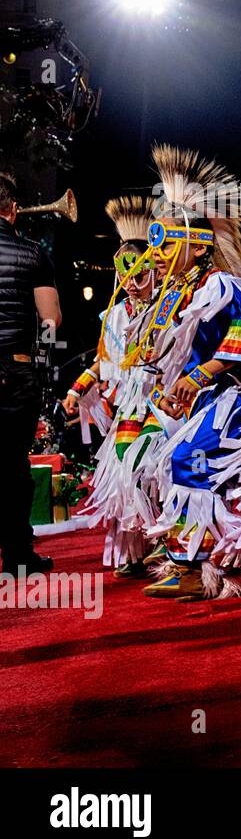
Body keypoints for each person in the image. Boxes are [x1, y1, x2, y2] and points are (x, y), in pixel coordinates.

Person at [139, 145, 241, 601]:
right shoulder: (182, 293)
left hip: (234, 403)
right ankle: (216, 569)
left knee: (188, 464)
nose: (157, 255)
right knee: (175, 470)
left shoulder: (224, 286)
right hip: (203, 404)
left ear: (195, 244)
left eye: (165, 243)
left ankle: (192, 568)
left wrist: (198, 376)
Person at [62, 195, 170, 577]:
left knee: (156, 464)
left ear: (155, 271)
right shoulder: (115, 315)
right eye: (124, 277)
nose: (130, 285)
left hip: (166, 403)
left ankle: (169, 546)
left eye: (138, 276)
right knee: (125, 468)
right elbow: (102, 361)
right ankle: (135, 550)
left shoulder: (172, 307)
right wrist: (77, 389)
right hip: (130, 406)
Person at [0, 169, 60, 575]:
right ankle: (18, 557)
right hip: (15, 374)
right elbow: (51, 322)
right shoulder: (33, 254)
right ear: (14, 209)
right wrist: (42, 371)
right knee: (11, 465)